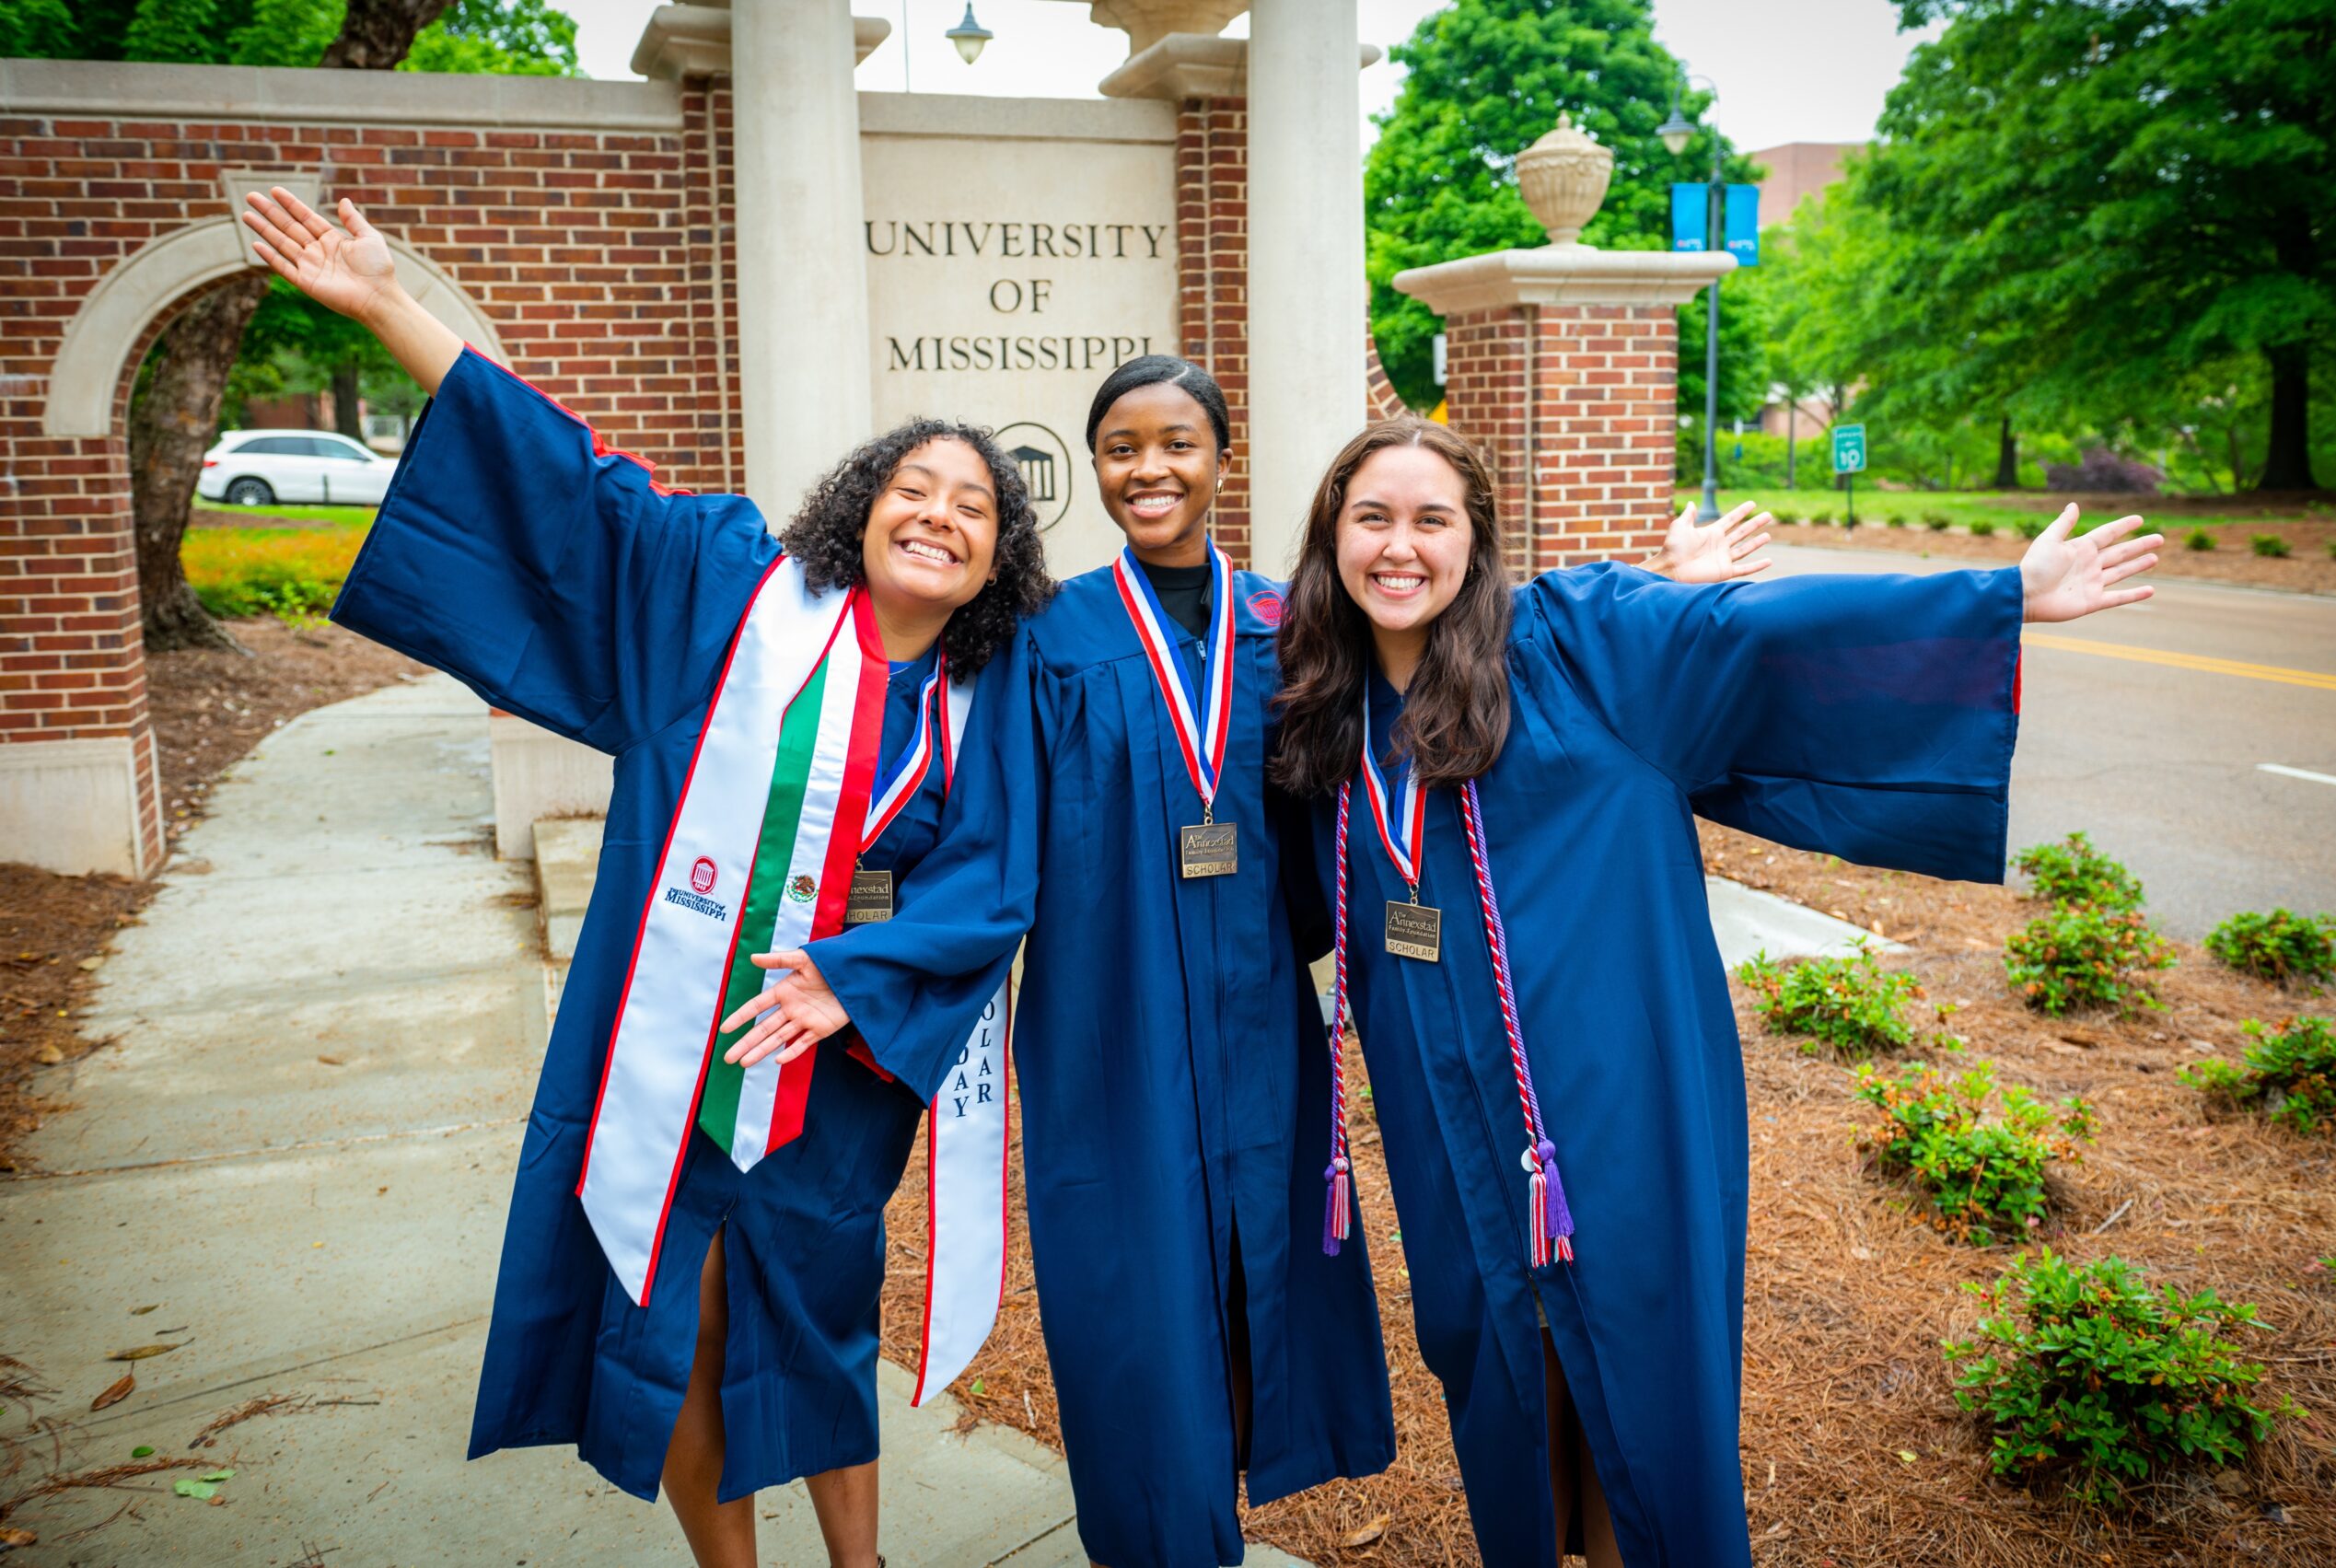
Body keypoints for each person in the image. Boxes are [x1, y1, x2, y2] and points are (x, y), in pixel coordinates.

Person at [720, 358, 1773, 1567]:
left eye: (1177, 443)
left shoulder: (1293, 624)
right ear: (1095, 468)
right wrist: (864, 960)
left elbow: (1459, 680)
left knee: (1250, 1289)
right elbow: (991, 837)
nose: (1149, 467)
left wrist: (1666, 603)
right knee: (1138, 1312)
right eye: (1121, 447)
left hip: (1263, 1023)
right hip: (1111, 1028)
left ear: (1224, 459)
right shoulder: (1049, 635)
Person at [241, 188, 1054, 1568]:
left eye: (972, 504)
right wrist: (388, 303)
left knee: (815, 1317)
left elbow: (996, 875)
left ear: (995, 557)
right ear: (862, 507)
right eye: (913, 485)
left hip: (836, 1058)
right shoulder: (727, 589)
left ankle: (860, 1564)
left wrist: (852, 986)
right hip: (664, 1033)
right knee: (674, 1311)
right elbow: (569, 475)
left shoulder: (997, 695)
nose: (937, 511)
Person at [1264, 417, 2162, 1567]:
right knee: (1494, 1357)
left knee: (1641, 1359)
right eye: (1371, 518)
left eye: (1431, 518)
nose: (1400, 547)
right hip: (1446, 1124)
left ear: (1478, 538)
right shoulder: (1320, 706)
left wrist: (1999, 597)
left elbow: (1758, 633)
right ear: (1330, 536)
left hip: (1617, 1098)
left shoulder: (1578, 643)